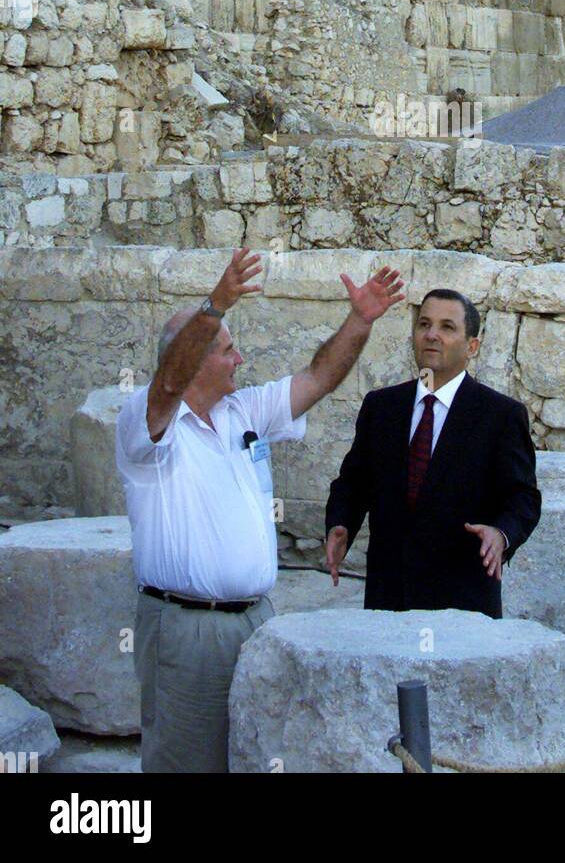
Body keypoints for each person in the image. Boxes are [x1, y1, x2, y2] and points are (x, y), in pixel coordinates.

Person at [116, 247, 405, 772]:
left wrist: (359, 322)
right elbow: (166, 384)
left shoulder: (241, 411)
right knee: (188, 762)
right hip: (187, 629)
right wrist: (216, 304)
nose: (239, 359)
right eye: (226, 349)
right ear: (193, 358)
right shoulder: (147, 426)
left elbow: (318, 377)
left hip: (256, 620)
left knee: (257, 753)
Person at [324, 288, 541, 618]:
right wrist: (341, 523)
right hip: (388, 598)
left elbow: (522, 497)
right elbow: (354, 482)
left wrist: (501, 534)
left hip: (462, 602)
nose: (431, 335)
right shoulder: (381, 407)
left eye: (447, 327)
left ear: (472, 346)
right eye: (424, 324)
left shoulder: (500, 415)